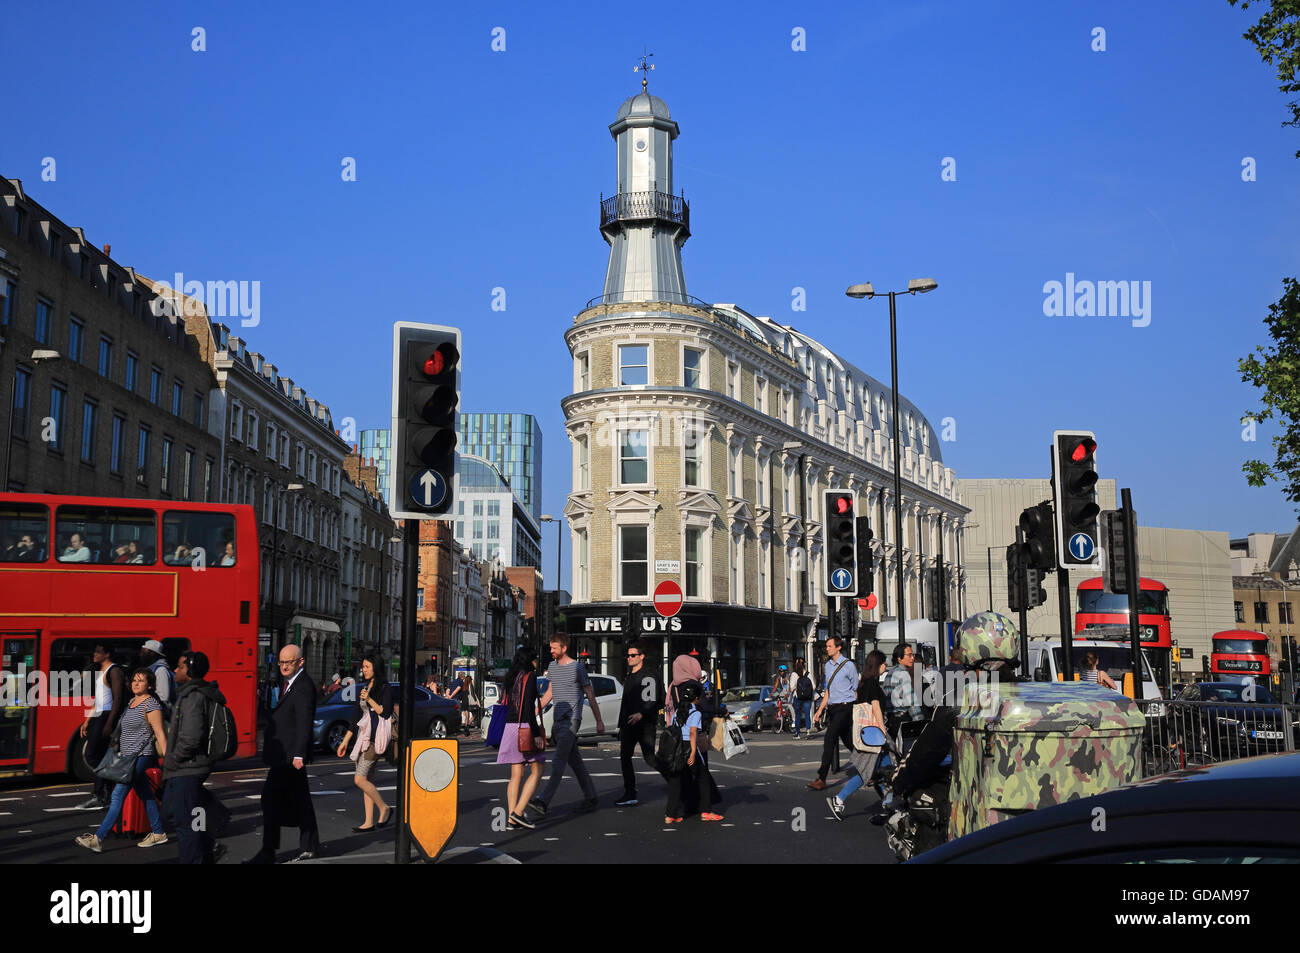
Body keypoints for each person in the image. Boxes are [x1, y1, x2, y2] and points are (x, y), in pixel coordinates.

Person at [75, 668, 169, 852]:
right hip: (126, 757)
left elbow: (160, 735)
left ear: (149, 685)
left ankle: (98, 838)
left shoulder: (151, 705)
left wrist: (169, 765)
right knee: (146, 795)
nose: (135, 683)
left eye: (141, 681)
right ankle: (158, 832)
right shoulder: (133, 702)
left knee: (118, 795)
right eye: (134, 680)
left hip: (140, 756)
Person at [245, 644, 319, 864]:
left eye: (289, 662)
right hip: (285, 755)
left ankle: (268, 851)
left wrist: (299, 754)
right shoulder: (289, 684)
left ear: (300, 662)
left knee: (270, 799)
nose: (284, 666)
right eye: (281, 662)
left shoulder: (303, 686)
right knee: (301, 800)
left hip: (289, 757)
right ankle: (310, 845)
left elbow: (304, 722)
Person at [526, 634, 605, 821]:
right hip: (557, 720)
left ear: (564, 648)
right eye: (551, 647)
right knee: (575, 761)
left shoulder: (578, 668)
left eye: (554, 648)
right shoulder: (552, 667)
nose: (551, 651)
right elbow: (550, 693)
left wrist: (598, 720)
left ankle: (543, 802)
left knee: (558, 761)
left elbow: (589, 694)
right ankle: (591, 797)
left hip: (572, 719)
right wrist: (535, 711)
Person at [163, 650, 231, 863]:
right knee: (193, 818)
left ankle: (194, 859)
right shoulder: (195, 693)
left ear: (190, 671)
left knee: (186, 823)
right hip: (193, 766)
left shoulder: (192, 696)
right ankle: (207, 853)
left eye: (180, 667)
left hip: (187, 767)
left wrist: (174, 758)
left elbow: (191, 737)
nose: (175, 670)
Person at [335, 653, 393, 832]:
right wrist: (345, 742)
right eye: (363, 667)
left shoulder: (385, 687)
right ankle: (368, 822)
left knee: (359, 779)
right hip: (364, 738)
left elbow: (385, 712)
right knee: (368, 780)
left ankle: (384, 808)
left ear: (375, 667)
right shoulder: (365, 686)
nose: (364, 669)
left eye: (367, 666)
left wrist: (369, 699)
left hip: (377, 739)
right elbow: (355, 718)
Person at [827, 650, 888, 820]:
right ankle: (839, 799)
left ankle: (890, 805)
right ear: (878, 665)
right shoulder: (873, 685)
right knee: (869, 771)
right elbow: (875, 708)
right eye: (884, 663)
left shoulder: (862, 683)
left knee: (881, 769)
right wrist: (883, 731)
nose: (886, 666)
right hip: (874, 733)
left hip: (866, 733)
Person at [497, 646, 545, 829]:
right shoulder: (530, 677)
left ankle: (510, 818)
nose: (537, 662)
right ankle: (518, 812)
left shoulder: (512, 678)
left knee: (516, 774)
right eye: (535, 658)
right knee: (538, 769)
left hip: (510, 728)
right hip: (524, 728)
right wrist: (535, 733)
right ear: (530, 660)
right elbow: (527, 708)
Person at [77, 643, 128, 809]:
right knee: (97, 755)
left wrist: (109, 723)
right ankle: (103, 790)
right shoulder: (100, 671)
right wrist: (87, 721)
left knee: (92, 754)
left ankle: (101, 793)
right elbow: (98, 700)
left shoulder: (114, 671)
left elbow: (117, 700)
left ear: (107, 654)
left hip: (106, 717)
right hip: (98, 716)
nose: (94, 654)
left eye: (98, 652)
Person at [665, 682, 723, 824]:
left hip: (677, 746)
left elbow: (673, 728)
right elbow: (692, 733)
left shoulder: (678, 711)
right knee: (703, 777)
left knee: (676, 780)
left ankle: (671, 815)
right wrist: (691, 753)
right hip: (688, 746)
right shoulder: (695, 712)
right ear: (696, 698)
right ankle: (706, 811)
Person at [807, 635, 858, 792]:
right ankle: (872, 767)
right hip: (833, 709)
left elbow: (855, 688)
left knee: (829, 738)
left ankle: (821, 778)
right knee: (850, 743)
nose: (827, 648)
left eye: (830, 646)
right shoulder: (828, 666)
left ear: (838, 647)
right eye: (827, 646)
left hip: (845, 707)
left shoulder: (849, 665)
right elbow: (828, 690)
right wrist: (820, 709)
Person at [615, 639, 663, 806]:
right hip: (628, 724)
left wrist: (642, 714)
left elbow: (654, 698)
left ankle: (676, 780)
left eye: (633, 655)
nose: (629, 658)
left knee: (650, 758)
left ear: (641, 656)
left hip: (644, 725)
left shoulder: (649, 675)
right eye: (628, 655)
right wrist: (622, 724)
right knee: (625, 757)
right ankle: (630, 793)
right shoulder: (630, 676)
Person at [882, 643, 923, 731]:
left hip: (890, 719)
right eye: (909, 655)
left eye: (913, 655)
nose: (912, 658)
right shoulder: (903, 674)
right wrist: (919, 721)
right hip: (902, 719)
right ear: (899, 658)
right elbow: (911, 701)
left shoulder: (890, 673)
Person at [140, 639, 175, 717]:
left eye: (143, 652)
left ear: (152, 653)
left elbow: (163, 698)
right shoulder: (152, 669)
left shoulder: (161, 671)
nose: (140, 655)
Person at [791, 657, 816, 739]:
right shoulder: (808, 674)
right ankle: (808, 732)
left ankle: (797, 733)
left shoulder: (794, 674)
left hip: (798, 697)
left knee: (797, 715)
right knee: (807, 714)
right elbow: (814, 686)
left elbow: (792, 687)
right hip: (807, 698)